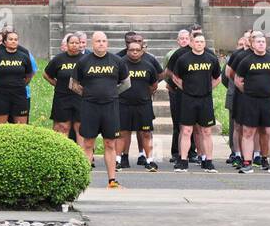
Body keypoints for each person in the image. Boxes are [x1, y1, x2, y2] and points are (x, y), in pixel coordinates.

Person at [74, 31, 129, 189]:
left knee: (110, 143)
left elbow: (126, 83)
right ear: (92, 43)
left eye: (104, 41)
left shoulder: (117, 61)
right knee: (88, 142)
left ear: (108, 43)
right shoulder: (84, 61)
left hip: (110, 107)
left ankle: (112, 180)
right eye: (98, 41)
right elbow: (74, 84)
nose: (101, 43)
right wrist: (87, 95)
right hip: (89, 107)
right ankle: (82, 180)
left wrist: (111, 94)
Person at [167, 30, 222, 172]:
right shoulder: (183, 59)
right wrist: (186, 89)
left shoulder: (211, 59)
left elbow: (218, 78)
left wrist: (208, 89)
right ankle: (183, 161)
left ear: (205, 44)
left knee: (206, 132)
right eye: (197, 42)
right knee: (186, 130)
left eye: (202, 42)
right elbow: (175, 78)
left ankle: (208, 161)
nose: (199, 44)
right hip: (188, 99)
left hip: (205, 99)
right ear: (192, 43)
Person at [234, 31, 270, 174]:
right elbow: (238, 80)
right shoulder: (246, 61)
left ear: (266, 44)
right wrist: (250, 91)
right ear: (252, 44)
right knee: (248, 131)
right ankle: (247, 163)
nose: (261, 44)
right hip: (250, 101)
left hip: (269, 101)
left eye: (263, 42)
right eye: (258, 42)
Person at [116, 32, 162, 167]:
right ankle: (119, 160)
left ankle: (149, 160)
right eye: (132, 50)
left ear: (142, 51)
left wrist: (144, 94)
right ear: (127, 50)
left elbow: (154, 85)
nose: (134, 52)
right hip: (123, 104)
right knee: (123, 133)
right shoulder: (120, 63)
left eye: (137, 50)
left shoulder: (149, 65)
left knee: (146, 133)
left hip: (143, 105)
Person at [0, 30, 34, 124]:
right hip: (1, 95)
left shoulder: (24, 56)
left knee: (21, 128)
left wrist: (20, 85)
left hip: (19, 95)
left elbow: (29, 75)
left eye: (16, 39)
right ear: (5, 41)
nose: (13, 41)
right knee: (0, 128)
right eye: (10, 39)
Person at [44, 32, 85, 144]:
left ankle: (82, 158)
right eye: (72, 42)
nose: (75, 45)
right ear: (67, 44)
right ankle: (62, 156)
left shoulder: (85, 59)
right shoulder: (58, 59)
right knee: (62, 127)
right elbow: (46, 74)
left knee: (80, 128)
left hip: (80, 98)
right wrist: (56, 84)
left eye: (77, 43)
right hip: (62, 97)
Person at [223, 31, 251, 166]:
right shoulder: (233, 57)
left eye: (245, 42)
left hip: (250, 96)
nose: (242, 45)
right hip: (234, 94)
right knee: (235, 125)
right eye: (240, 43)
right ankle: (235, 152)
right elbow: (225, 77)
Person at [164, 28, 192, 163]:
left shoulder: (194, 53)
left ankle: (191, 152)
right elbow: (166, 72)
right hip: (176, 90)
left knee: (190, 124)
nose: (184, 41)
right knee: (178, 124)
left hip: (192, 93)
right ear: (177, 40)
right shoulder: (172, 54)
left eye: (187, 38)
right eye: (182, 38)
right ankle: (176, 152)